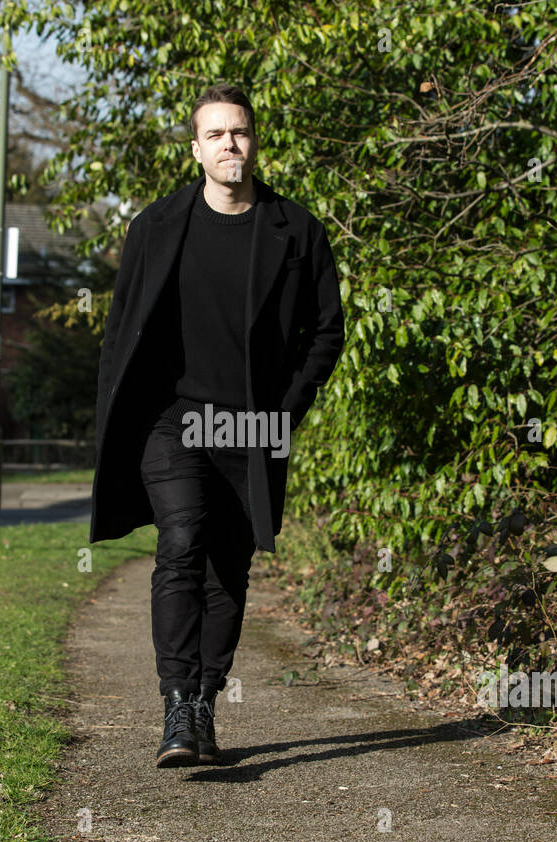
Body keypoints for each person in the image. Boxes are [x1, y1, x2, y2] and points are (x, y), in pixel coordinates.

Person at [89, 83, 345, 767]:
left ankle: (205, 702)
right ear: (196, 148)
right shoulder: (155, 228)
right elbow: (120, 334)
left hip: (250, 427)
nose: (230, 144)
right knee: (182, 540)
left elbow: (327, 331)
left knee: (228, 566)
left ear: (254, 141)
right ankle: (175, 705)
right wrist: (113, 418)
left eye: (240, 132)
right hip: (170, 420)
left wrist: (284, 414)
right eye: (217, 134)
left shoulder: (295, 230)